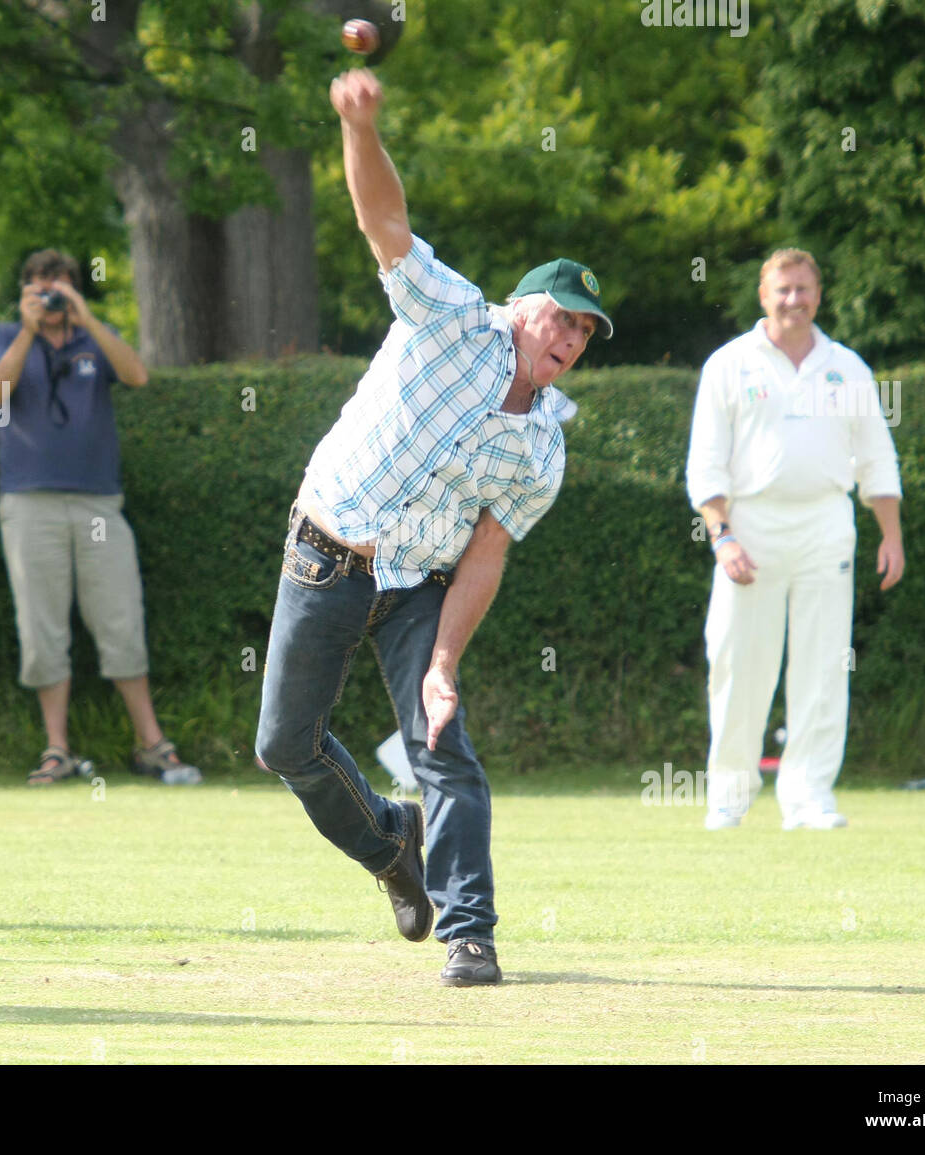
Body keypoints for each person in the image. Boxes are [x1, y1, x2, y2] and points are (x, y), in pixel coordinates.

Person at [254, 70, 612, 986]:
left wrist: (445, 663)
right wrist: (360, 128)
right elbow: (384, 224)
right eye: (559, 317)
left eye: (584, 332)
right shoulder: (451, 314)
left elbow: (485, 556)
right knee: (284, 744)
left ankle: (471, 933)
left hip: (418, 585)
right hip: (326, 552)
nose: (568, 337)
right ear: (523, 306)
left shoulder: (544, 449)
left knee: (443, 743)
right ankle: (388, 845)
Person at [685, 248, 904, 830]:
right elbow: (706, 464)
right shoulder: (729, 365)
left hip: (826, 524)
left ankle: (809, 798)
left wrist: (891, 535)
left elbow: (877, 458)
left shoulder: (847, 368)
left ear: (819, 294)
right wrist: (722, 536)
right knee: (736, 661)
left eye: (804, 289)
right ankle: (729, 797)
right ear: (763, 295)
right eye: (783, 289)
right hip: (750, 524)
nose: (793, 300)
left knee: (824, 664)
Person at [0, 249, 202, 786]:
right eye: (40, 287)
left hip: (99, 503)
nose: (50, 297)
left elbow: (137, 375)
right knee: (41, 627)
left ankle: (152, 744)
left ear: (74, 290)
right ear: (24, 292)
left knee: (120, 617)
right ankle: (56, 749)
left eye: (59, 287)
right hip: (29, 503)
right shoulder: (4, 335)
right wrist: (30, 332)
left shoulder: (93, 339)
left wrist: (87, 319)